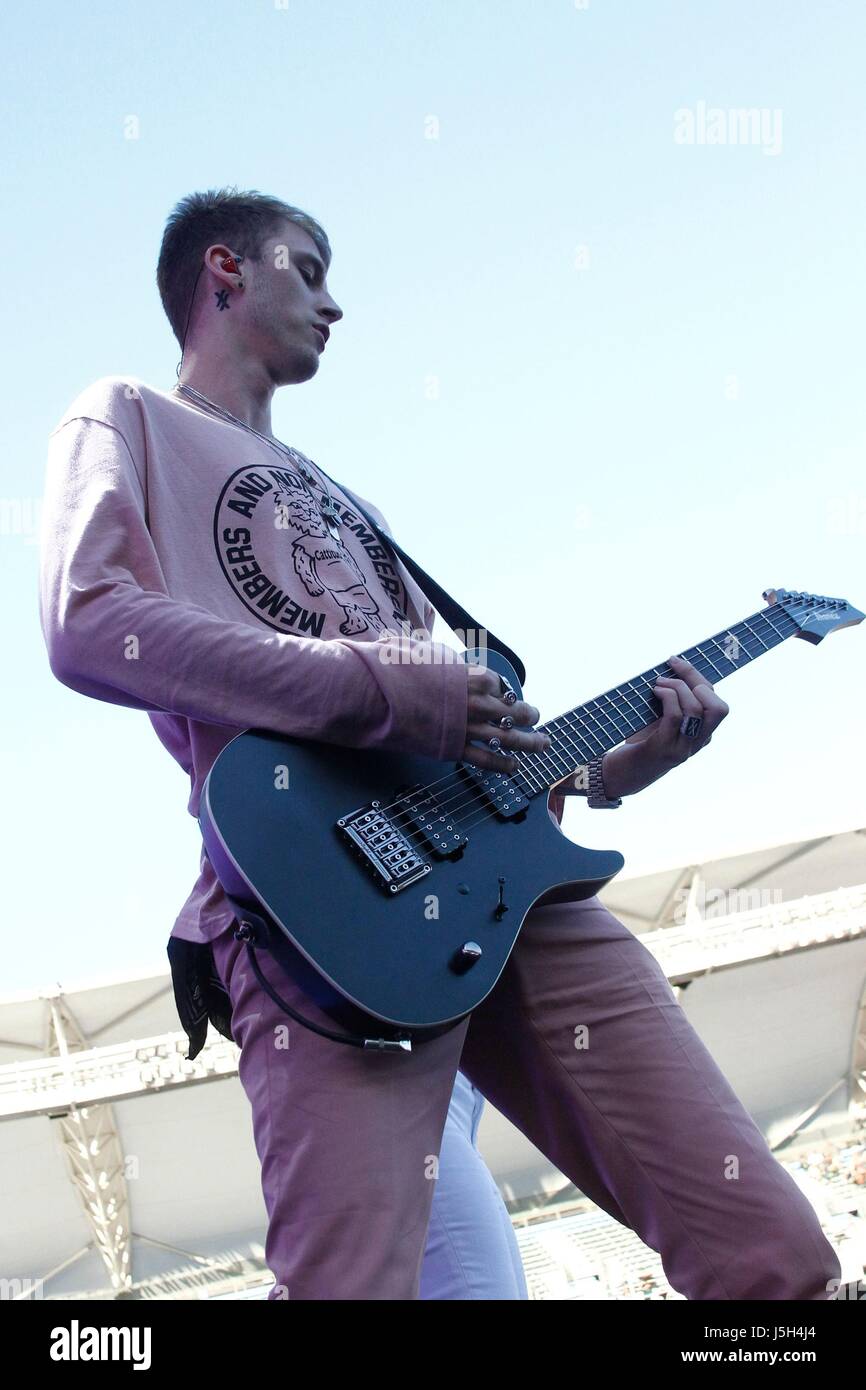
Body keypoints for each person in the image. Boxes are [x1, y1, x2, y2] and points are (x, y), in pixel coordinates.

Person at [39, 186, 841, 1301]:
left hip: (510, 894)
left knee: (776, 1260)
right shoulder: (123, 413)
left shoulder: (347, 501)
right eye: (307, 269)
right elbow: (90, 624)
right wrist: (382, 688)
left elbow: (470, 735)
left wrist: (611, 767)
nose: (334, 303)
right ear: (224, 270)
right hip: (324, 916)